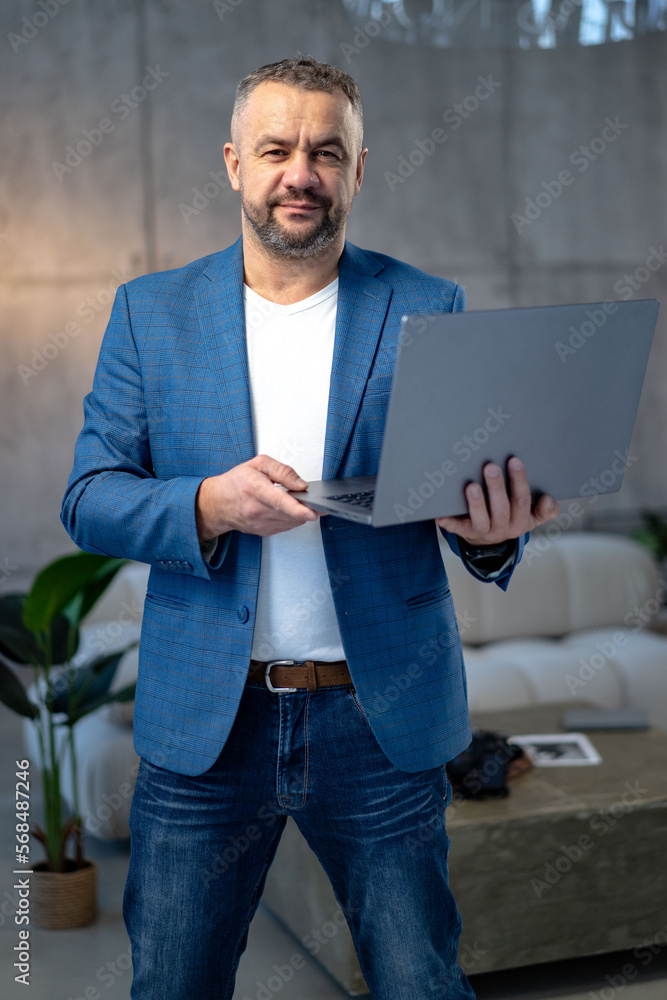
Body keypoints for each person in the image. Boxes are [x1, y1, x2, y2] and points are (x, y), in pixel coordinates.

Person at [61, 55, 559, 1000]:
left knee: (420, 982)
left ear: (358, 171)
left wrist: (492, 532)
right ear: (234, 164)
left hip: (377, 720)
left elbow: (461, 504)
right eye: (277, 149)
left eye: (326, 152)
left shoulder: (426, 303)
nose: (302, 172)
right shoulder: (148, 314)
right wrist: (209, 503)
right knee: (171, 985)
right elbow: (88, 496)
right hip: (207, 726)